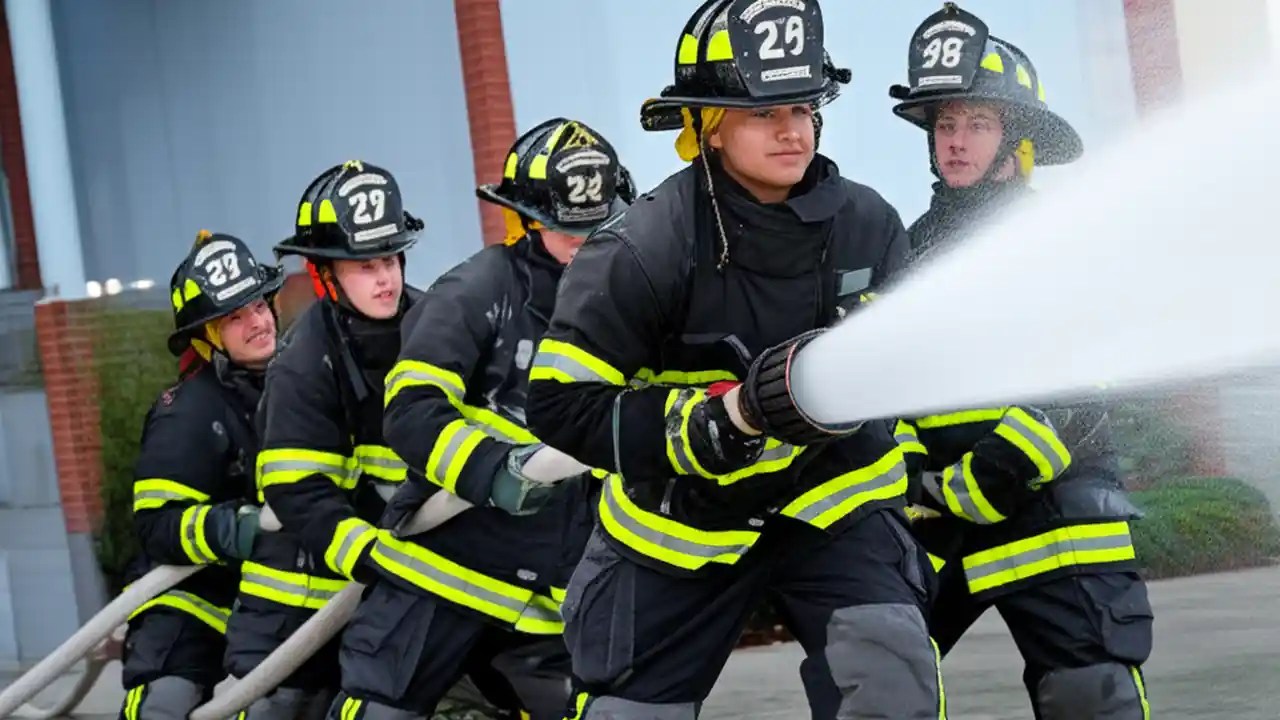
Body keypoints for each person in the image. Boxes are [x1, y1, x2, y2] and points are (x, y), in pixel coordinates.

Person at [524, 1, 946, 718]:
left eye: (804, 106)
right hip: (681, 521)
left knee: (891, 678)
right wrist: (709, 423)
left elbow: (904, 359)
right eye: (764, 112)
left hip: (832, 502)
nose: (792, 128)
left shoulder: (867, 224)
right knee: (629, 713)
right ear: (707, 128)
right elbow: (561, 403)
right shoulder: (641, 249)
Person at [887, 5, 1153, 719]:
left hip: (1052, 513)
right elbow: (886, 388)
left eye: (976, 123)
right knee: (876, 675)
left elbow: (1083, 384)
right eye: (944, 125)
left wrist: (990, 474)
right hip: (940, 517)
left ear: (1017, 136)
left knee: (1086, 693)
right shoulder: (904, 254)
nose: (955, 141)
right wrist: (919, 475)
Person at [326, 118, 634, 720]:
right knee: (381, 708)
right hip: (446, 569)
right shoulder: (476, 291)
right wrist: (493, 470)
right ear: (529, 220)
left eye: (599, 228)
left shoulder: (629, 297)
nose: (586, 245)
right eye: (568, 231)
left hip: (554, 589)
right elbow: (412, 412)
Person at [221, 160, 425, 719]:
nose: (385, 278)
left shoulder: (437, 325)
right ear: (323, 276)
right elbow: (298, 489)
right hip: (298, 608)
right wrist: (368, 553)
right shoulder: (304, 363)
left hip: (411, 577)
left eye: (389, 258)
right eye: (364, 265)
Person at [118, 231, 281, 719]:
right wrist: (237, 528)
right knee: (166, 701)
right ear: (207, 336)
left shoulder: (301, 380)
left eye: (258, 306)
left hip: (276, 594)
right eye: (235, 317)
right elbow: (156, 525)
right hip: (190, 598)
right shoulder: (186, 413)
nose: (257, 322)